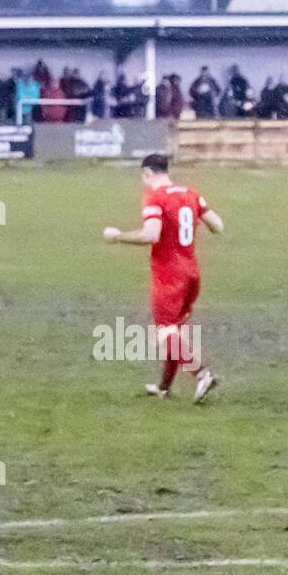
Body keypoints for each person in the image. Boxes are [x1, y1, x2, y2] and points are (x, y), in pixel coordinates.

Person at [103, 154, 224, 402]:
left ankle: (201, 375)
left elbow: (151, 235)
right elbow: (218, 226)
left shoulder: (155, 198)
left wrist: (118, 236)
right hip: (191, 272)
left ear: (147, 172)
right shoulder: (191, 194)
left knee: (164, 333)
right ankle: (164, 387)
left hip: (169, 274)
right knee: (172, 332)